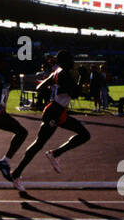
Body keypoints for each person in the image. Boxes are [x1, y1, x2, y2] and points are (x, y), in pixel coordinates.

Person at [7, 50, 91, 190]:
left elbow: (40, 87)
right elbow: (75, 94)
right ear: (64, 61)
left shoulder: (56, 73)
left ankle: (55, 153)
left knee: (84, 135)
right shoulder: (65, 74)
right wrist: (82, 78)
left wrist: (55, 90)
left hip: (58, 111)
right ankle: (16, 173)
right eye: (71, 59)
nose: (73, 62)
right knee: (39, 143)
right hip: (54, 113)